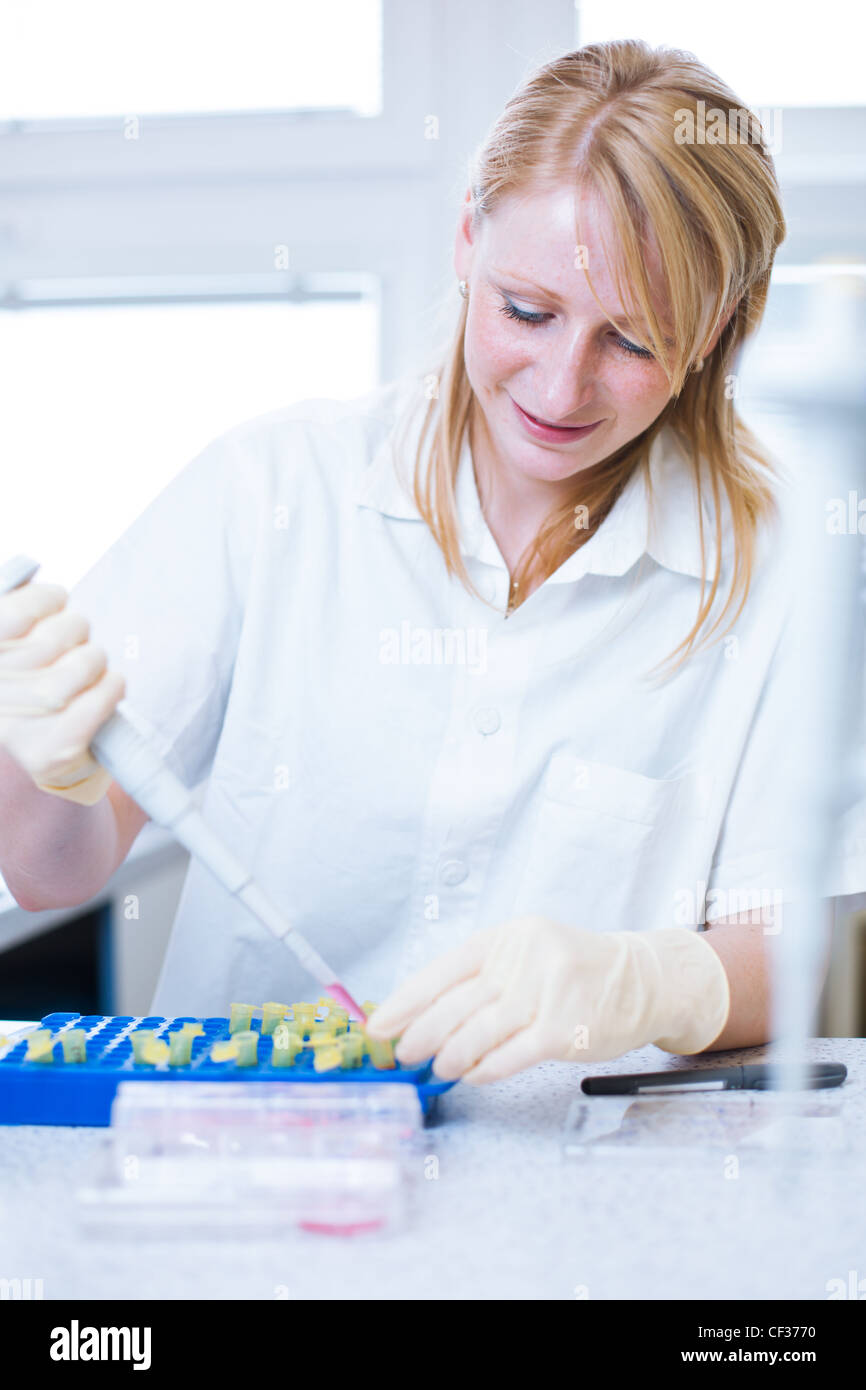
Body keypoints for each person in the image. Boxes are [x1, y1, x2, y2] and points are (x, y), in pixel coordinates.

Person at [0, 41, 863, 1083]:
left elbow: (793, 941)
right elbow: (58, 870)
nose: (559, 384)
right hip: (244, 1169)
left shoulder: (777, 573)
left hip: (582, 1192)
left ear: (719, 330)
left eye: (632, 343)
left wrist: (646, 980)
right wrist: (32, 762)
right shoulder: (270, 491)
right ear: (465, 238)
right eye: (526, 311)